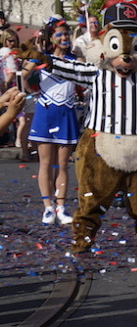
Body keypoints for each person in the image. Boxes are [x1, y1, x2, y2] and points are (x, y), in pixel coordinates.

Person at [23, 20, 80, 225]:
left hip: (66, 113)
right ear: (51, 38)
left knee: (62, 164)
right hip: (45, 113)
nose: (64, 38)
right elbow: (24, 74)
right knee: (45, 163)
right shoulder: (43, 58)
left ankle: (61, 207)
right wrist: (37, 55)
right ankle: (48, 207)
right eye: (59, 34)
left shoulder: (75, 59)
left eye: (66, 34)